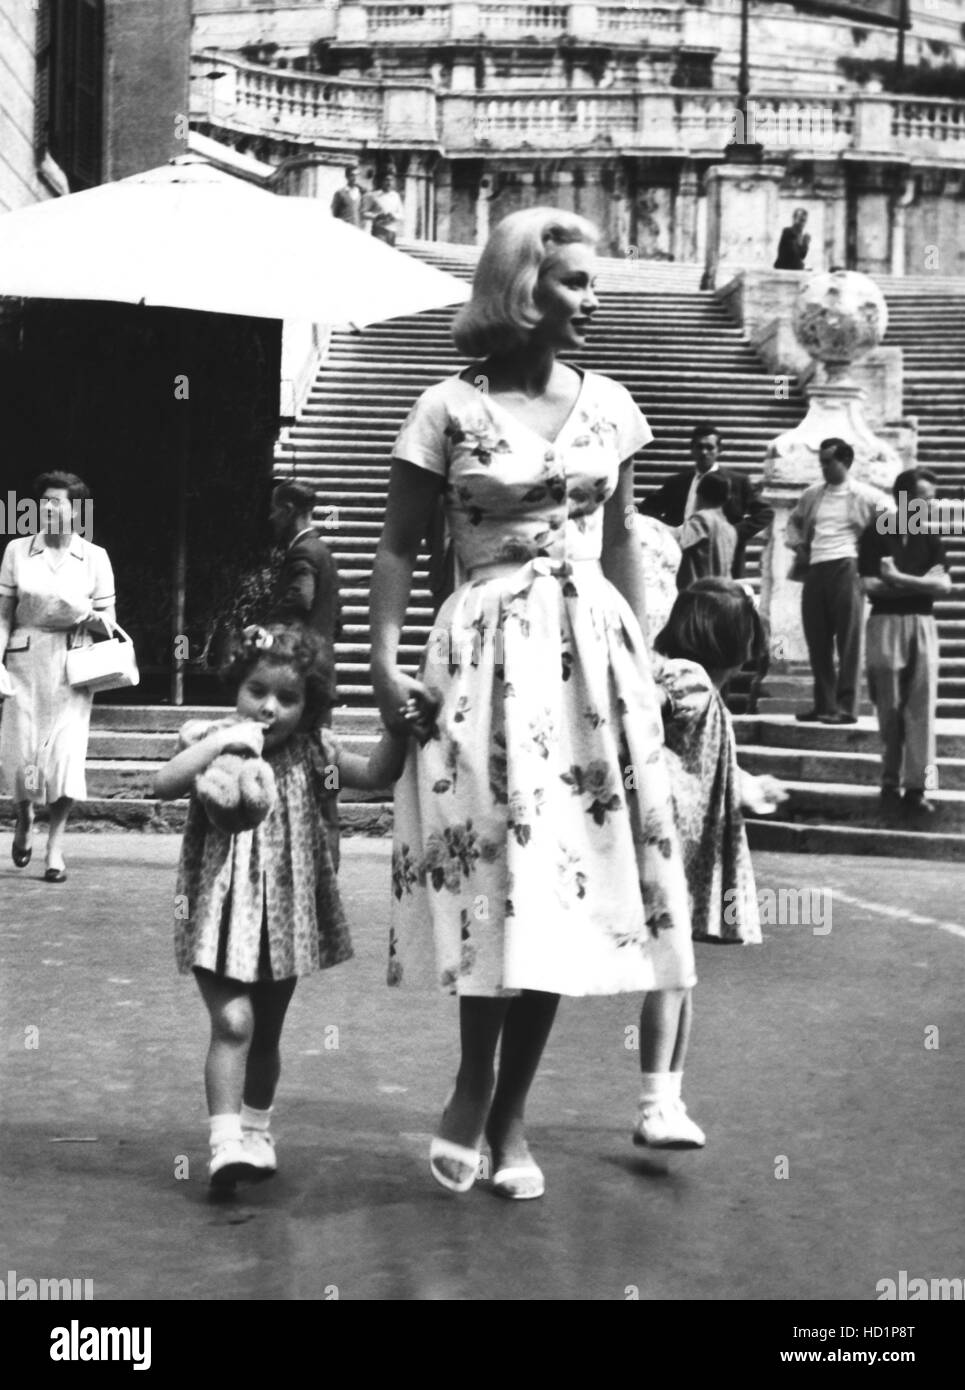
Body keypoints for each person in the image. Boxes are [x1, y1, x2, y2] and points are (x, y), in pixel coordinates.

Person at [370, 207, 697, 1200]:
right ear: (520, 289)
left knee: (573, 882)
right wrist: (384, 668)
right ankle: (472, 1082)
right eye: (574, 283)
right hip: (481, 661)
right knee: (498, 875)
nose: (592, 300)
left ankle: (510, 1114)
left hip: (590, 664)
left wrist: (644, 664)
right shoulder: (444, 410)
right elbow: (394, 545)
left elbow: (624, 544)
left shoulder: (612, 406)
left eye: (591, 283)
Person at [155, 622, 408, 1189]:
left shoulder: (317, 751)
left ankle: (257, 1132)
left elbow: (377, 774)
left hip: (286, 917)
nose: (269, 707)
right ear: (237, 687)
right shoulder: (214, 737)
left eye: (288, 698)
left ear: (309, 704)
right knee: (233, 1021)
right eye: (257, 691)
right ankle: (224, 1145)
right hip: (216, 912)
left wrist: (399, 726)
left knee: (265, 1032)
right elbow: (162, 784)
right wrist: (222, 742)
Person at [636, 580, 786, 1147]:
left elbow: (708, 762)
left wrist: (749, 786)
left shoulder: (697, 686)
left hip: (684, 848)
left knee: (682, 977)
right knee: (672, 975)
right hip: (672, 847)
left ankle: (668, 1099)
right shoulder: (690, 677)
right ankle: (654, 1104)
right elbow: (648, 712)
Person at [0, 471, 116, 883]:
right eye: (45, 501)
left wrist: (83, 614)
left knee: (65, 759)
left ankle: (55, 848)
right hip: (24, 662)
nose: (49, 508)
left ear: (77, 510)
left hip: (72, 666)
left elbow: (110, 625)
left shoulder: (95, 558)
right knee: (26, 758)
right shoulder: (17, 550)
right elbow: (4, 614)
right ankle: (25, 816)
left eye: (59, 502)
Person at [858, 467, 950, 817]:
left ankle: (920, 787)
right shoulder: (876, 533)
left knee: (922, 711)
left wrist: (898, 578)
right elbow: (869, 585)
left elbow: (944, 587)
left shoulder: (931, 537)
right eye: (926, 499)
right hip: (884, 625)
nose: (932, 505)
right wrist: (919, 582)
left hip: (923, 625)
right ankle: (889, 781)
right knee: (889, 709)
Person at [786, 437, 890, 725]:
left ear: (845, 462)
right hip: (815, 569)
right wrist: (799, 546)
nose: (823, 466)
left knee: (848, 640)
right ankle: (823, 704)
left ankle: (846, 707)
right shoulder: (812, 495)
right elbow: (792, 523)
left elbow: (895, 517)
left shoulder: (865, 495)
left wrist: (873, 555)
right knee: (817, 640)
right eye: (821, 461)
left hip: (847, 566)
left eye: (828, 461)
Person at [639, 424, 773, 578]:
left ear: (719, 450)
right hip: (682, 554)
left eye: (709, 447)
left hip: (721, 555)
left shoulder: (737, 482)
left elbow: (765, 512)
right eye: (699, 447)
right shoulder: (677, 482)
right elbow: (646, 508)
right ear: (692, 450)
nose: (704, 452)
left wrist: (733, 533)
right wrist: (665, 531)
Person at [268, 480, 342, 715]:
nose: (272, 518)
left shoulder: (303, 551)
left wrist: (267, 629)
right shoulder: (323, 551)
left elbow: (300, 598)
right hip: (322, 672)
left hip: (300, 671)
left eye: (274, 510)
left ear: (289, 510)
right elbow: (338, 620)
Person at [676, 471, 737, 590]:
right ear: (727, 498)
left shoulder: (702, 519)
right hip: (722, 595)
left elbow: (679, 539)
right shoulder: (730, 530)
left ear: (698, 495)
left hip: (700, 597)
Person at [361, 171, 404, 247]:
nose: (389, 183)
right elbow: (363, 213)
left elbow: (401, 214)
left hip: (392, 231)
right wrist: (376, 216)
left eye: (391, 180)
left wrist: (393, 215)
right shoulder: (374, 195)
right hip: (379, 230)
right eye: (386, 180)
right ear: (381, 181)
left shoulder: (396, 196)